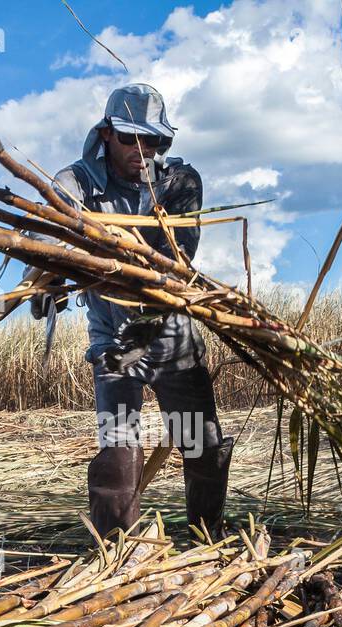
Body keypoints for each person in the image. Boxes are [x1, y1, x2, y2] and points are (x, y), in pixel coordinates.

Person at [31, 82, 234, 540]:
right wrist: (47, 276)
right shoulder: (77, 183)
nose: (142, 150)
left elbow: (175, 259)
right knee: (119, 447)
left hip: (169, 336)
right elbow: (46, 235)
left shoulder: (180, 183)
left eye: (154, 140)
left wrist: (98, 262)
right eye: (130, 138)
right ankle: (116, 551)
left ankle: (208, 539)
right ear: (106, 135)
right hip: (115, 344)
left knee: (200, 442)